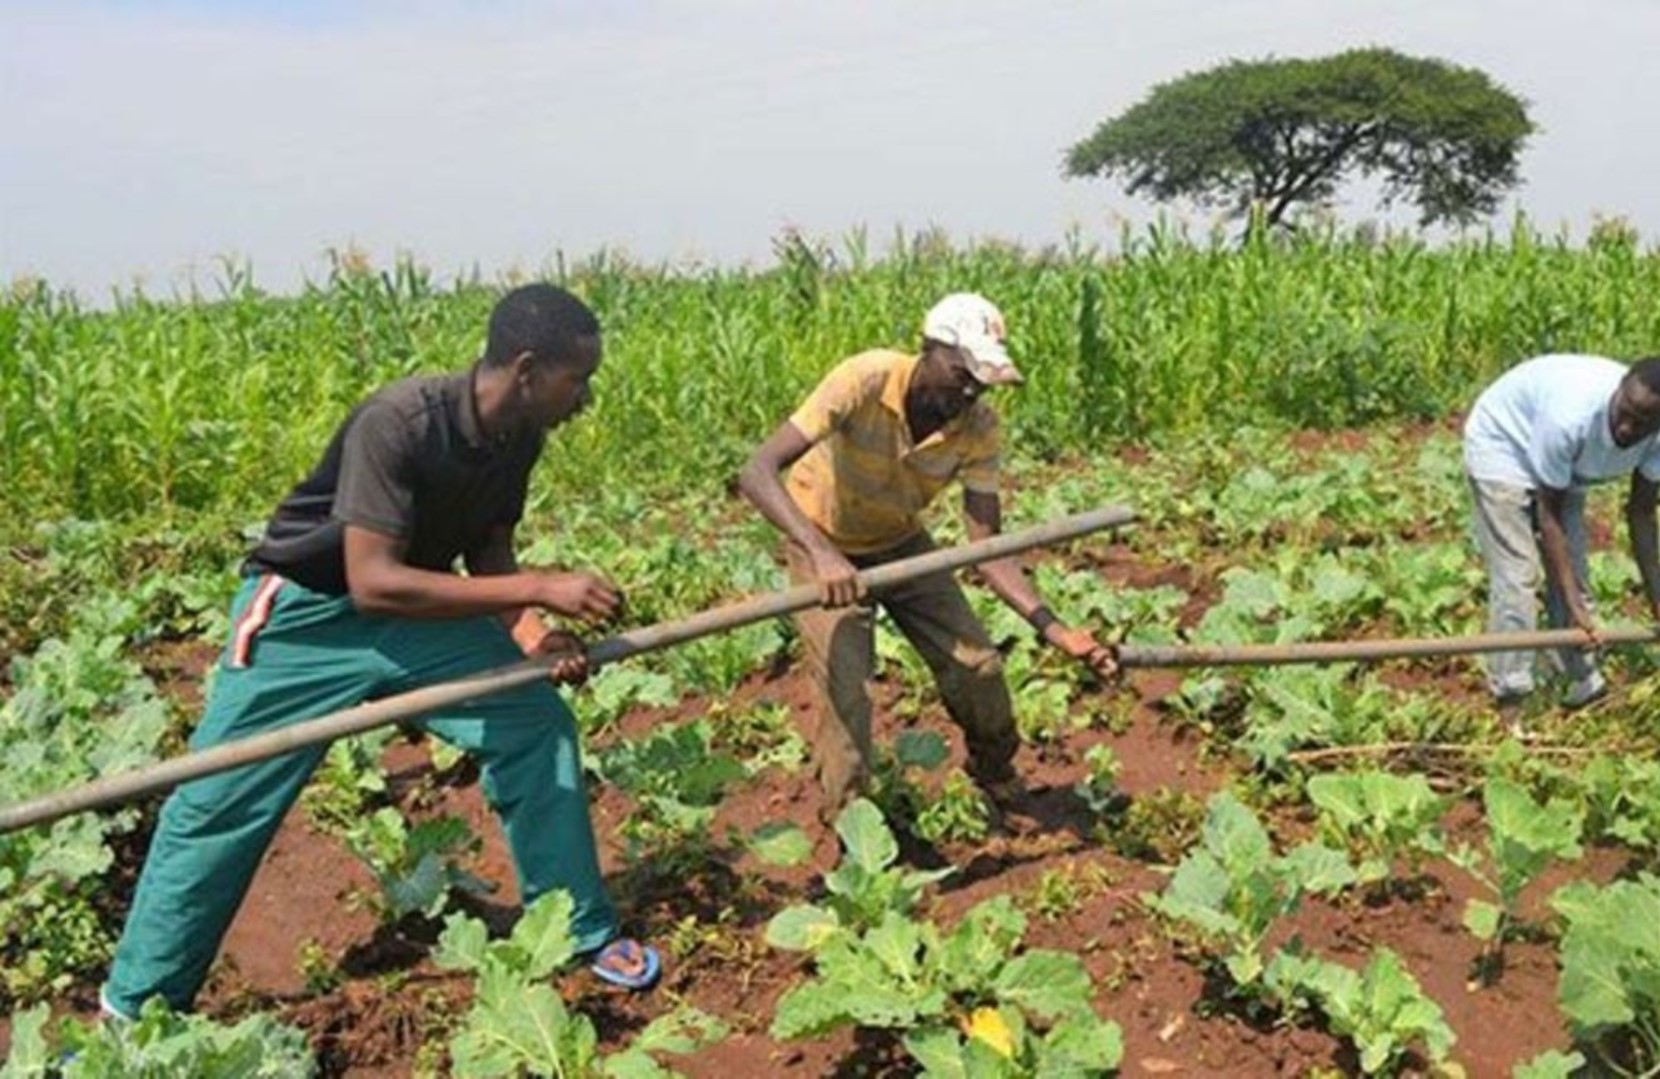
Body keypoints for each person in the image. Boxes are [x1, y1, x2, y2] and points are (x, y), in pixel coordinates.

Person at [102, 283, 660, 1019]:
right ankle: (135, 1005)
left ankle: (576, 929)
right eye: (577, 378)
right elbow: (371, 582)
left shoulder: (519, 435)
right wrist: (542, 587)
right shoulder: (397, 421)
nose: (585, 396)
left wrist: (529, 630)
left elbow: (488, 544)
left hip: (418, 614)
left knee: (534, 723)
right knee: (219, 798)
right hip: (307, 619)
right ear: (526, 370)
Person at [736, 292, 1118, 822]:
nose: (970, 390)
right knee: (847, 696)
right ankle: (854, 833)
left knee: (978, 667)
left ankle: (994, 772)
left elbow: (988, 549)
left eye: (981, 381)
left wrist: (1055, 630)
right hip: (822, 540)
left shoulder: (978, 427)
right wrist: (822, 556)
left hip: (901, 543)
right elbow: (757, 472)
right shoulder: (865, 378)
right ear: (929, 350)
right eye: (962, 373)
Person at [1460, 353, 1660, 721]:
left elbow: (1641, 511)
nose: (1626, 428)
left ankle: (1580, 683)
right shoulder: (1571, 416)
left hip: (1569, 467)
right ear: (1618, 391)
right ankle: (1510, 699)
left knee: (1574, 579)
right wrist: (1574, 604)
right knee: (1518, 576)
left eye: (1642, 423)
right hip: (1505, 447)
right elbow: (1549, 515)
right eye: (1623, 412)